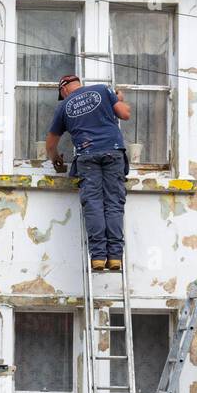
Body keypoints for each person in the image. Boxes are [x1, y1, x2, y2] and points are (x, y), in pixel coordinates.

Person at [44, 75, 131, 271]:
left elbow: (50, 144)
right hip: (112, 150)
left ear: (63, 89)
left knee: (93, 204)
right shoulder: (103, 89)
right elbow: (124, 114)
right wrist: (119, 100)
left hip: (87, 155)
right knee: (114, 203)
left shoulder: (64, 106)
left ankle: (98, 257)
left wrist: (55, 158)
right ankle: (115, 256)